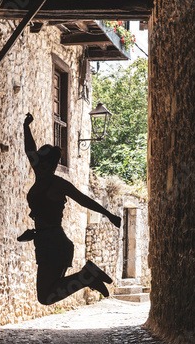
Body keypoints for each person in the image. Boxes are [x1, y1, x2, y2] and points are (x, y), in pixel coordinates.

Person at [19, 113, 120, 305]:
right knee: (47, 294)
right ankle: (86, 276)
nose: (38, 165)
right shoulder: (40, 177)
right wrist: (26, 126)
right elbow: (29, 150)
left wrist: (108, 214)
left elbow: (83, 200)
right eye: (38, 162)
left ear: (51, 166)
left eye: (43, 163)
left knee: (46, 296)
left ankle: (86, 277)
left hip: (55, 243)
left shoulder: (58, 184)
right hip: (45, 239)